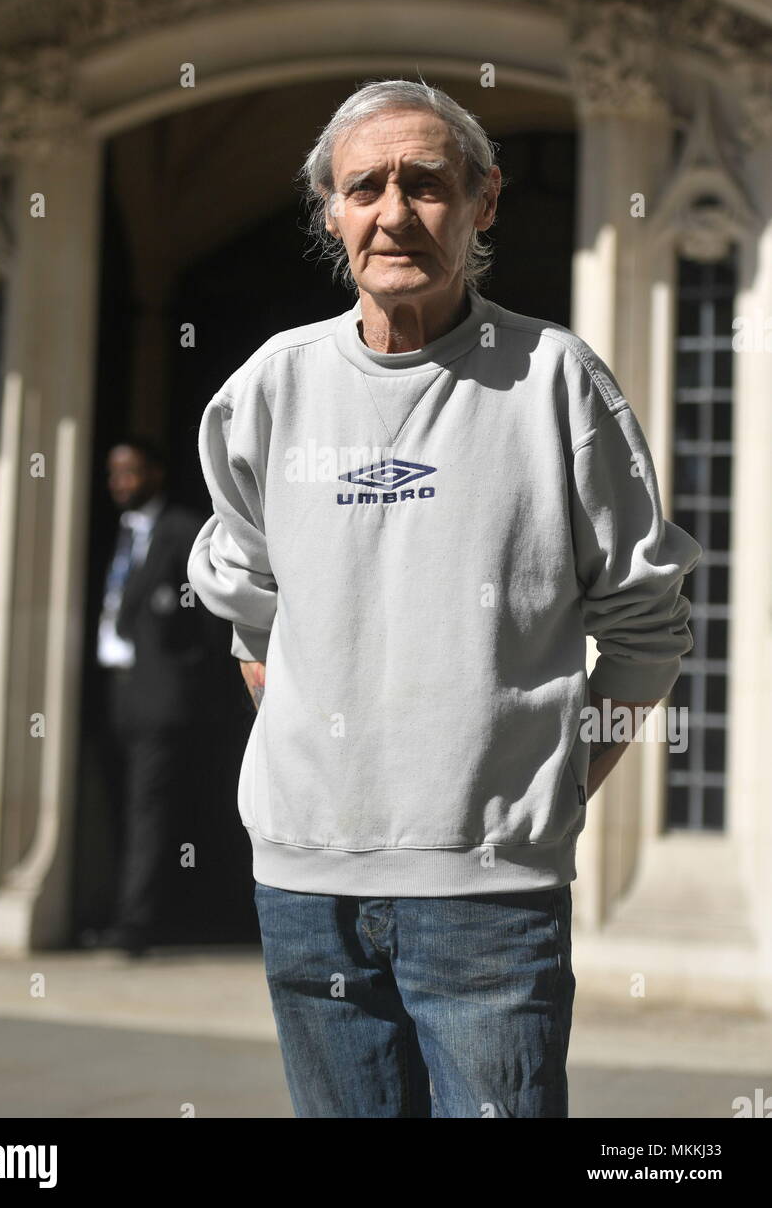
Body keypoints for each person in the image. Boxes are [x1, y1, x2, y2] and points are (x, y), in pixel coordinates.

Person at [187, 78, 702, 1116]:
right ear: (331, 213)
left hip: (488, 899)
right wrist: (321, 770)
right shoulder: (268, 391)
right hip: (303, 893)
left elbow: (646, 630)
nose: (392, 212)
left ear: (482, 201)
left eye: (424, 184)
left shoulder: (556, 384)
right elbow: (248, 609)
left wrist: (550, 793)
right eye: (363, 186)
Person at [83, 436, 219, 957]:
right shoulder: (110, 532)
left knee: (150, 811)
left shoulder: (182, 530)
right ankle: (110, 908)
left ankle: (137, 926)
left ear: (155, 474)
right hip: (112, 690)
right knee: (117, 806)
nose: (121, 483)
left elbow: (207, 617)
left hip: (160, 695)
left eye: (132, 472)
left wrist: (180, 660)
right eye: (114, 473)